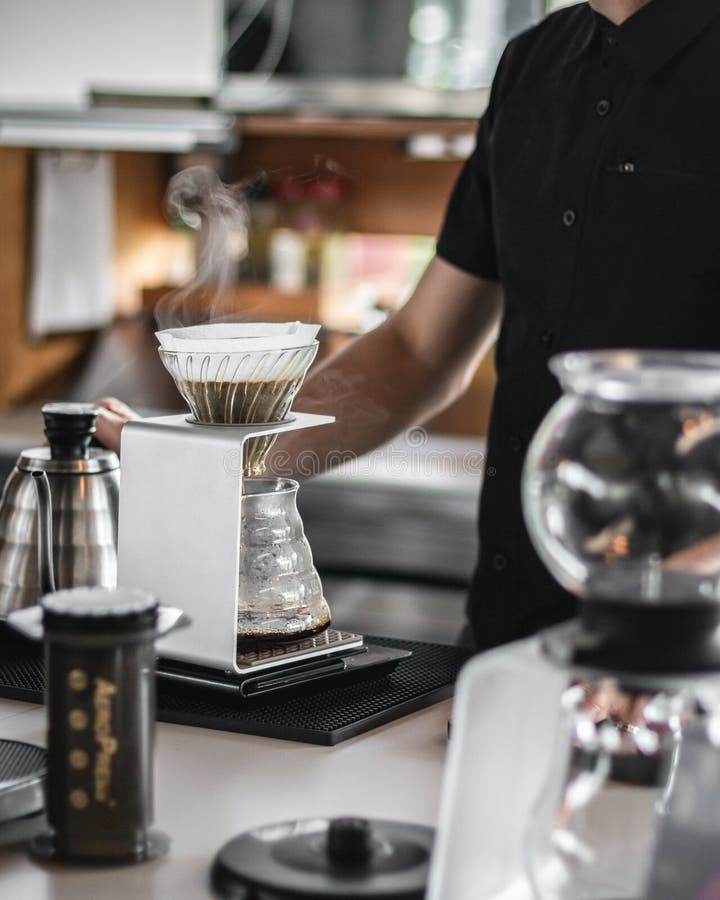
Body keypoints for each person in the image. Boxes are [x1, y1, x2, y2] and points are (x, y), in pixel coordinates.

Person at [97, 0, 720, 652]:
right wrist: (220, 460)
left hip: (686, 665)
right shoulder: (534, 66)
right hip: (507, 649)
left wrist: (672, 609)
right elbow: (416, 351)